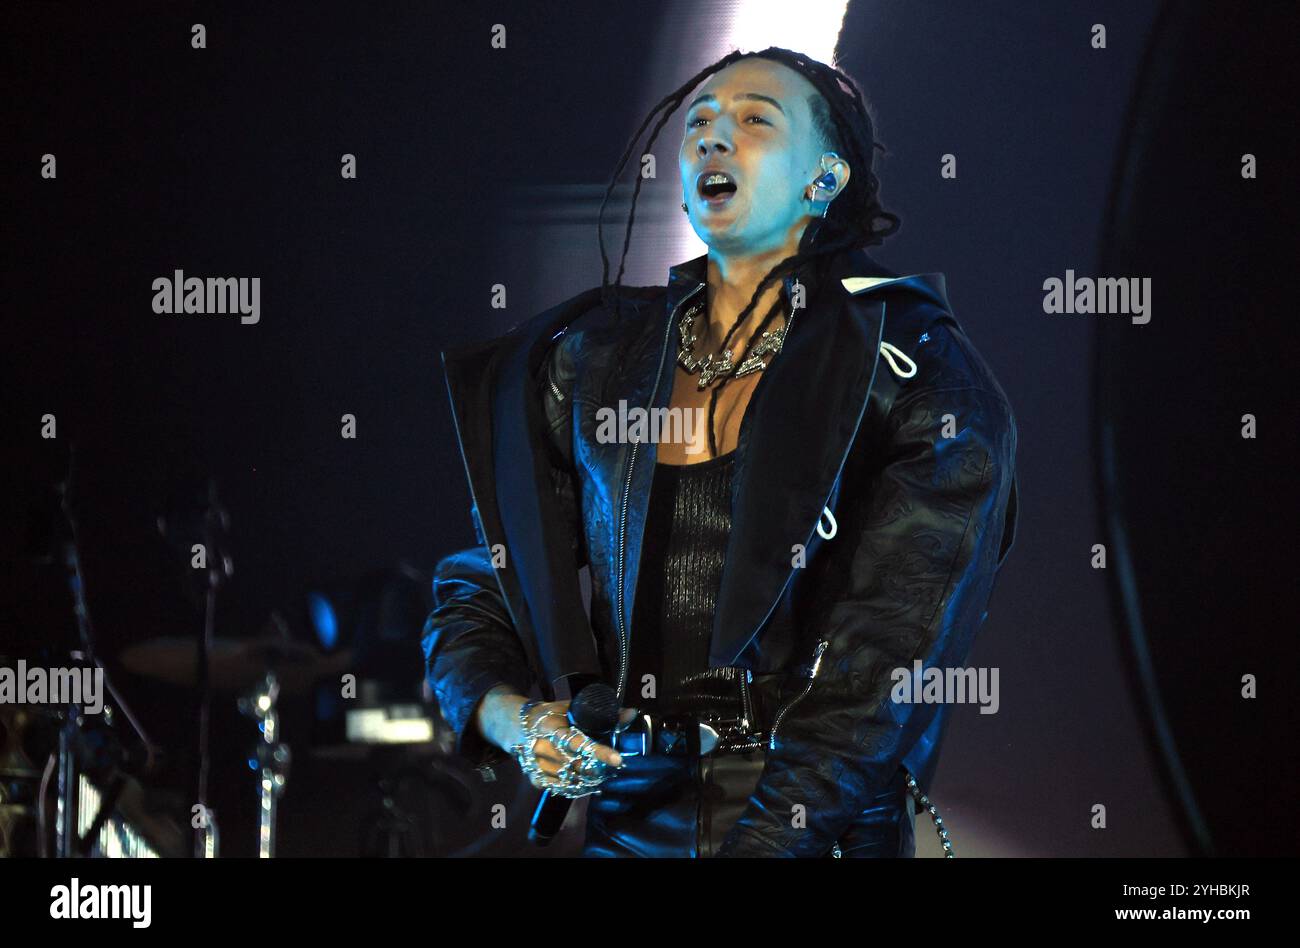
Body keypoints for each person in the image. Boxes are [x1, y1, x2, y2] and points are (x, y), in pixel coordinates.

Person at [423, 46, 1019, 857]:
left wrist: (770, 839)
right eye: (699, 122)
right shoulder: (595, 362)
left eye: (754, 120)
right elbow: (484, 583)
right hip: (629, 816)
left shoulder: (919, 371)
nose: (712, 136)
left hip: (817, 826)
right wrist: (516, 720)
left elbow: (880, 669)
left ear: (825, 179)